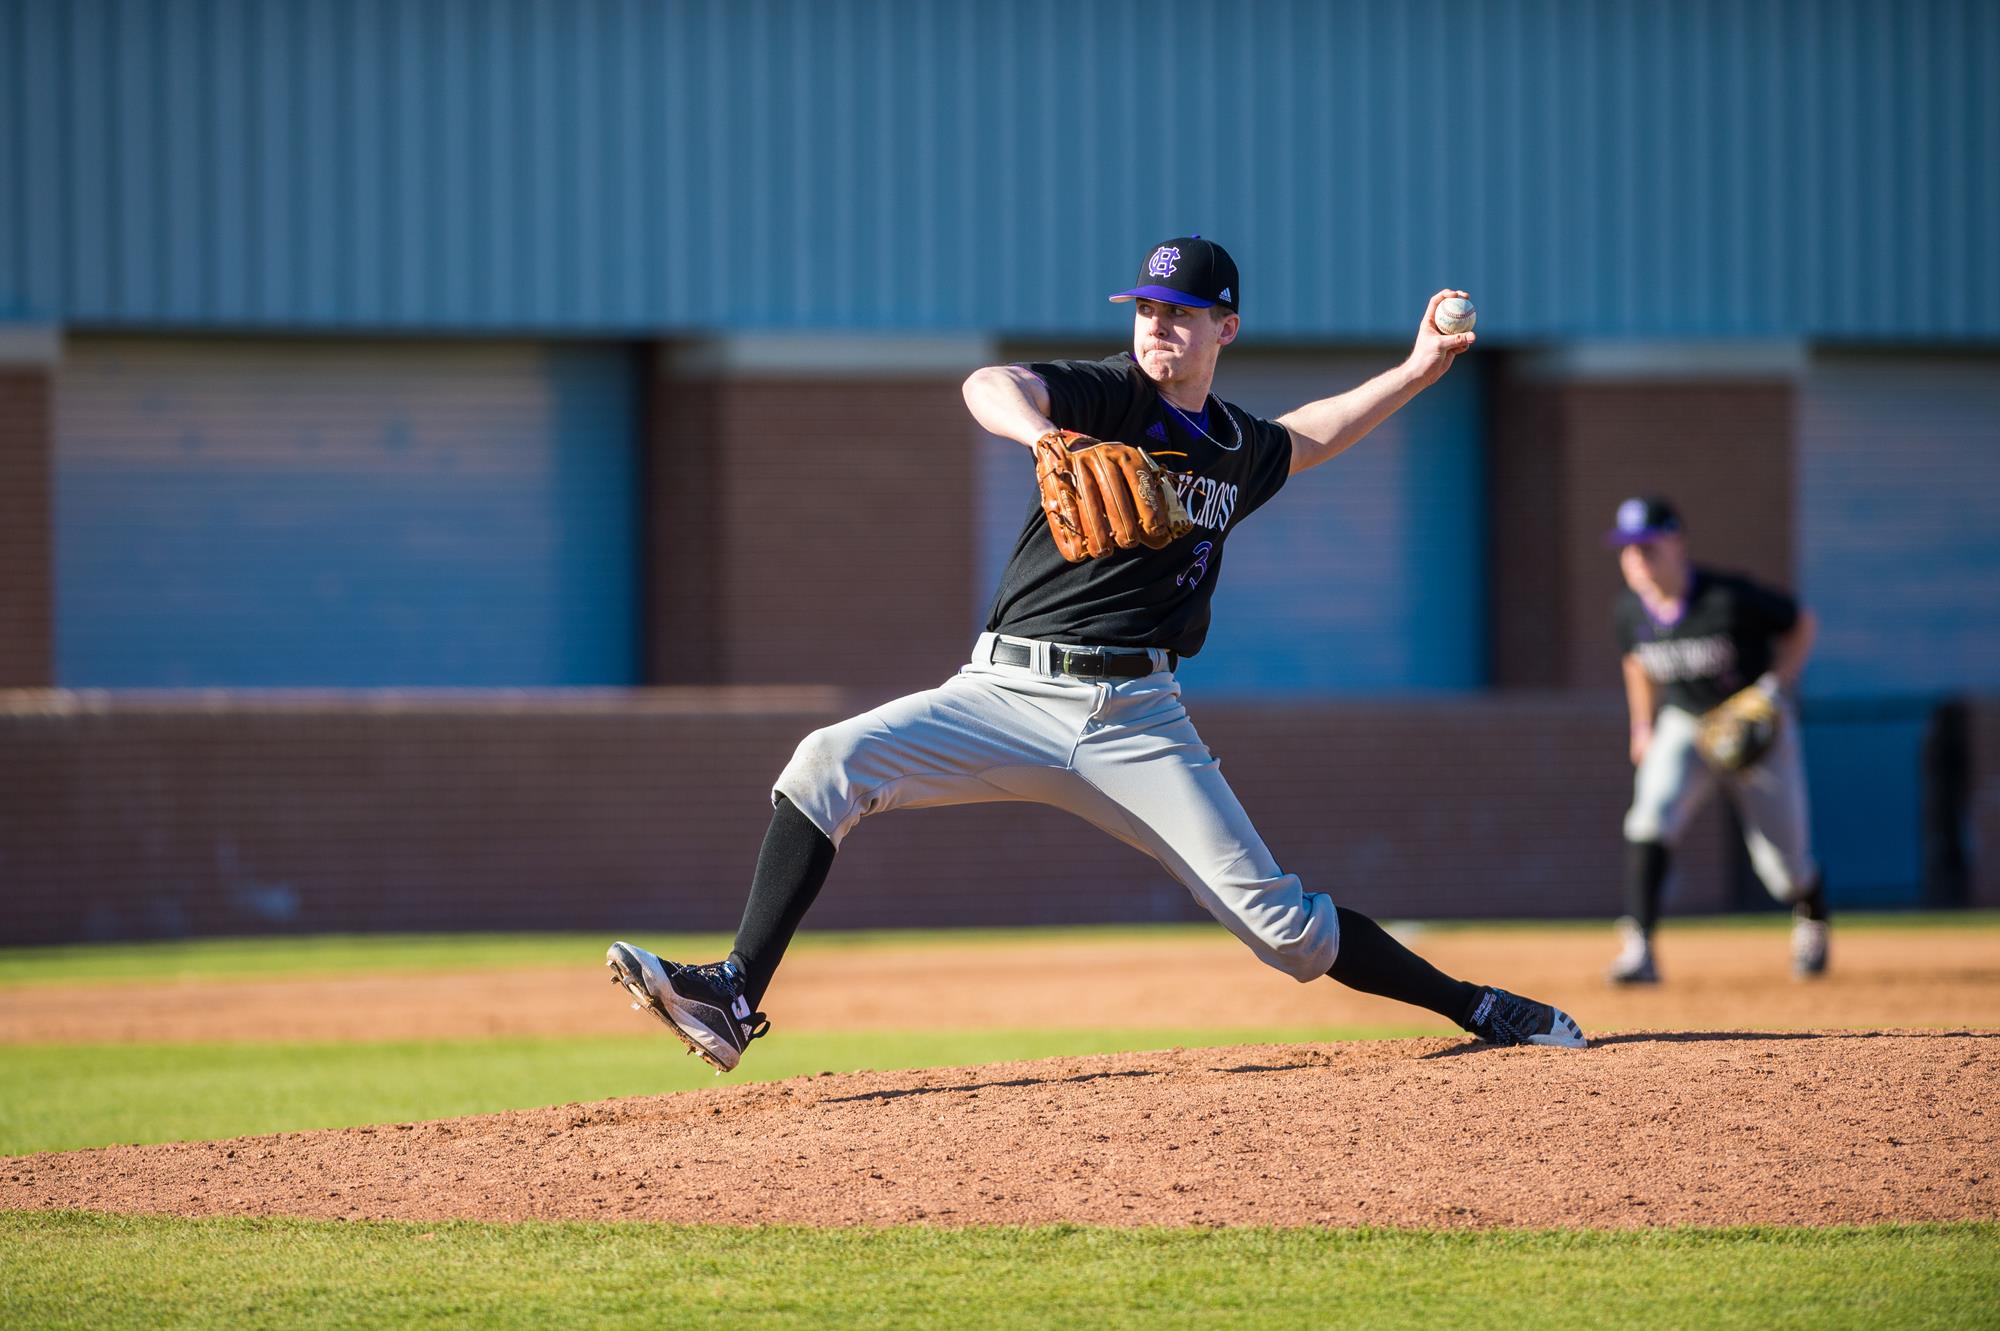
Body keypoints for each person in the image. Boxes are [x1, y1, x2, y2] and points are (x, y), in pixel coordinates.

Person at [608, 235, 1587, 1071]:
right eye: (1145, 308)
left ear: (1224, 329)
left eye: (1179, 312)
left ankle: (1475, 1006)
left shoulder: (1236, 447)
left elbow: (1310, 435)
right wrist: (1043, 438)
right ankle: (734, 993)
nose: (1155, 326)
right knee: (827, 759)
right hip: (999, 690)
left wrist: (1417, 369)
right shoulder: (1104, 400)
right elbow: (986, 382)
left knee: (1285, 933)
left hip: (1137, 719)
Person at [1604, 496, 1829, 983]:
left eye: (1648, 546)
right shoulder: (1629, 611)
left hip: (1753, 721)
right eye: (1628, 549)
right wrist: (1642, 725)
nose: (1637, 558)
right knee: (1649, 816)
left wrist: (1774, 686)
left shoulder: (1727, 597)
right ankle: (1639, 946)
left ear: (1677, 542)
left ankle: (1810, 916)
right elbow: (1636, 664)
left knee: (1782, 866)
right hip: (1685, 721)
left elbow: (1801, 624)